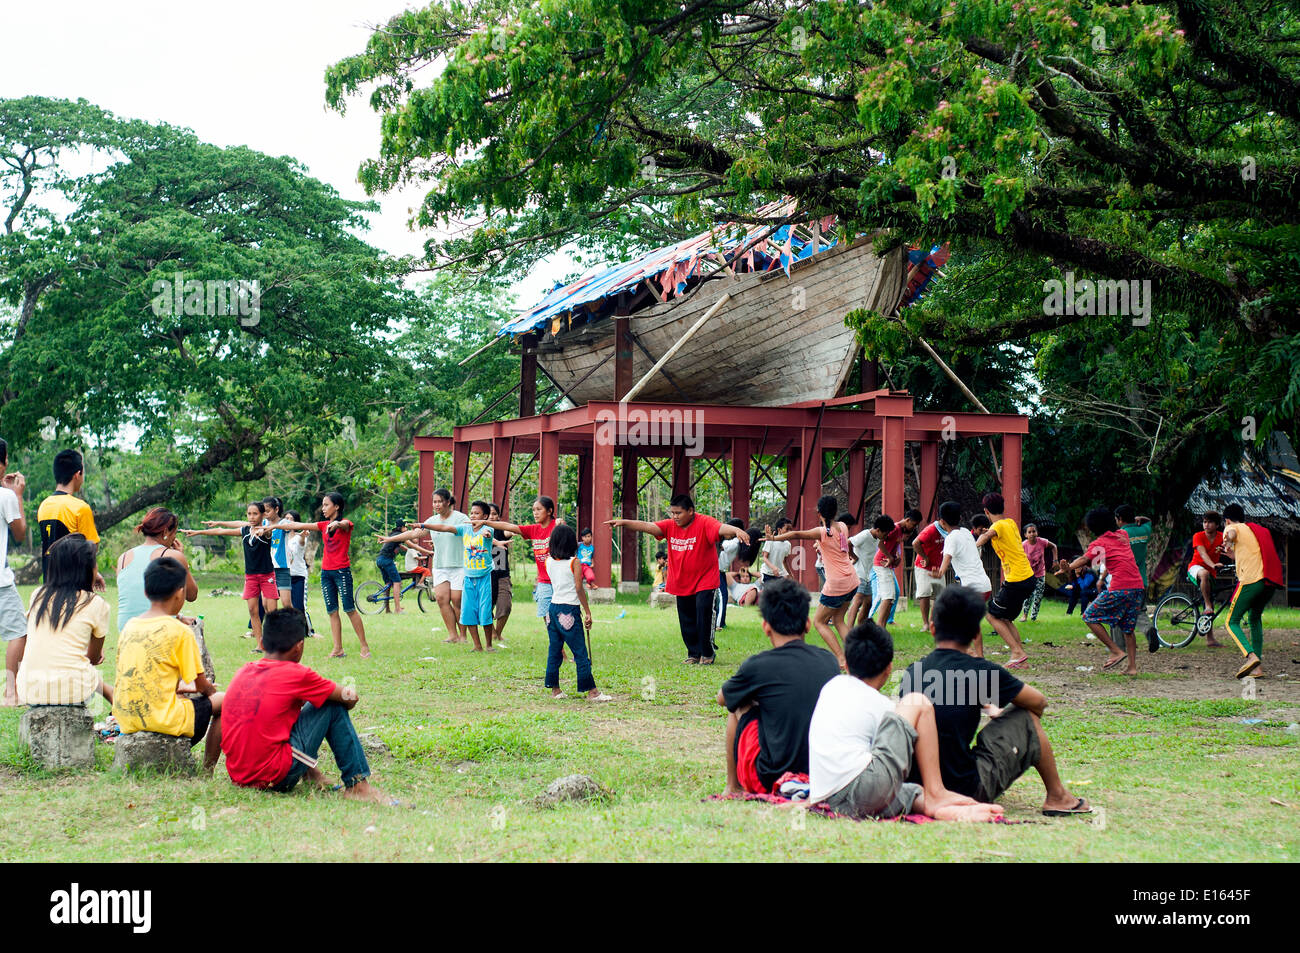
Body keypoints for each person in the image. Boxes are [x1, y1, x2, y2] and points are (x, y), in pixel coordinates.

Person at [899, 586, 1090, 816]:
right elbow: (1039, 702)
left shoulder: (913, 672)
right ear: (975, 634)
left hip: (917, 788)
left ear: (932, 628)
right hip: (963, 788)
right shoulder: (981, 672)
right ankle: (1058, 796)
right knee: (1025, 717)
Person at [809, 620, 1003, 821]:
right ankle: (937, 793)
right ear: (889, 668)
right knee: (917, 702)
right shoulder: (881, 705)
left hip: (831, 799)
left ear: (846, 665)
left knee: (911, 791)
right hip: (862, 789)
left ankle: (938, 809)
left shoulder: (831, 687)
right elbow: (905, 743)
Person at [220, 608, 385, 802]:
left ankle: (311, 775)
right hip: (273, 776)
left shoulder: (244, 671)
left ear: (263, 643)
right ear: (299, 646)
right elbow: (350, 697)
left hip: (238, 775)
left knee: (290, 711)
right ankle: (358, 784)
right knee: (331, 704)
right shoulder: (297, 674)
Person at [718, 578, 839, 794]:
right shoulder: (829, 661)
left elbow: (723, 698)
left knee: (737, 704)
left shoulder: (757, 666)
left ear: (766, 627)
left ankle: (733, 787)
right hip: (819, 775)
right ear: (808, 624)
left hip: (767, 778)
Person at [608, 493, 750, 664]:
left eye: (678, 513)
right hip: (682, 581)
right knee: (686, 618)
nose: (674, 517)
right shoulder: (669, 526)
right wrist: (624, 522)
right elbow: (647, 526)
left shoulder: (705, 522)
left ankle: (707, 653)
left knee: (703, 612)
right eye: (672, 513)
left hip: (705, 580)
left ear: (691, 511)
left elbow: (721, 529)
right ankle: (693, 654)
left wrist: (736, 530)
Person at [113, 558, 224, 772]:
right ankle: (208, 769)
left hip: (127, 719)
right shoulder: (180, 631)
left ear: (146, 592)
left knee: (182, 696)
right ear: (180, 593)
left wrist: (180, 688)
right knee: (226, 701)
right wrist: (210, 690)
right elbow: (201, 686)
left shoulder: (130, 627)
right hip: (162, 720)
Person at [16, 536, 113, 708]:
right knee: (80, 667)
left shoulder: (38, 595)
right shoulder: (96, 604)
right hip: (75, 692)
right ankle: (109, 693)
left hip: (29, 689)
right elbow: (92, 658)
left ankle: (109, 692)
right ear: (88, 569)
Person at [387, 500, 497, 650]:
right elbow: (444, 527)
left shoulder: (488, 529)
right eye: (472, 513)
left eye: (477, 513)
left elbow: (488, 534)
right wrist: (424, 525)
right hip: (469, 578)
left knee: (485, 612)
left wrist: (485, 532)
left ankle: (489, 645)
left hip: (484, 578)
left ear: (484, 516)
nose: (472, 516)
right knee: (468, 612)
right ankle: (477, 646)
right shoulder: (465, 529)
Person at [273, 494, 371, 659]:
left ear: (337, 507)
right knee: (332, 611)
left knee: (349, 609)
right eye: (322, 505)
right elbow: (301, 524)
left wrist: (337, 524)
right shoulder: (323, 524)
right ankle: (338, 649)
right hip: (326, 573)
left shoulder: (345, 524)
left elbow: (345, 524)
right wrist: (273, 527)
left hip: (342, 572)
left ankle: (364, 646)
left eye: (326, 505)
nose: (323, 508)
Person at [766, 495, 859, 667]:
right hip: (852, 580)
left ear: (819, 513)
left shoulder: (822, 532)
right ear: (836, 511)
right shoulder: (843, 527)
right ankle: (857, 656)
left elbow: (795, 534)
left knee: (819, 622)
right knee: (839, 620)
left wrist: (772, 539)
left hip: (837, 584)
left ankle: (841, 658)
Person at [1059, 507, 1146, 675]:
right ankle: (1132, 667)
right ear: (1112, 521)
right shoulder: (1123, 535)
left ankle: (1115, 650)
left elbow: (1085, 559)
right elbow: (1096, 559)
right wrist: (1139, 518)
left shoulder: (1100, 543)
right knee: (1128, 628)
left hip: (1120, 587)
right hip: (1137, 587)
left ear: (1092, 528)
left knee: (1089, 616)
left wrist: (1068, 567)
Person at [186, 502, 278, 651]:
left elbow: (267, 533)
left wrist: (263, 532)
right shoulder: (245, 530)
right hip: (251, 577)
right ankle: (260, 644)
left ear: (262, 515)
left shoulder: (267, 530)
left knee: (272, 611)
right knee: (253, 611)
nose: (252, 517)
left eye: (255, 514)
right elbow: (220, 531)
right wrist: (198, 532)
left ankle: (274, 642)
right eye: (249, 514)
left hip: (267, 575)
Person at [543, 524, 610, 701]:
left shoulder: (548, 562)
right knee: (580, 651)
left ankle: (555, 689)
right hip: (569, 610)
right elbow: (579, 588)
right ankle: (592, 692)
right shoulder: (575, 562)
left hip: (552, 609)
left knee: (554, 650)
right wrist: (587, 611)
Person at [1219, 503, 1284, 679]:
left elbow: (1231, 533)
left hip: (1250, 581)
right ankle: (1257, 669)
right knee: (1254, 619)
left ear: (1227, 520)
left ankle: (1250, 656)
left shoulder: (1231, 527)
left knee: (1231, 622)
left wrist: (1229, 538)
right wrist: (1231, 552)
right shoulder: (1254, 530)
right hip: (1267, 582)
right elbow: (1244, 553)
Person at [479, 494, 555, 636]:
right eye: (533, 510)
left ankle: (497, 634)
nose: (535, 513)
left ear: (549, 511)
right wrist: (483, 524)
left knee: (564, 618)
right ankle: (560, 652)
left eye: (539, 509)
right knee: (548, 619)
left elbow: (508, 528)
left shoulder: (556, 527)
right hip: (542, 582)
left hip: (557, 581)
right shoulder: (533, 529)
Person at [116, 507, 198, 633]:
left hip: (126, 629)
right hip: (158, 631)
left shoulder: (123, 557)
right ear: (165, 532)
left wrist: (179, 618)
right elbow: (192, 595)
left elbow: (138, 601)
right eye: (174, 533)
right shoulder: (172, 555)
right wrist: (182, 559)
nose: (174, 539)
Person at [972, 493, 1032, 668]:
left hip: (1016, 580)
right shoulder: (1010, 523)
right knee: (1005, 618)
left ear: (986, 511)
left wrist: (972, 545)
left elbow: (987, 536)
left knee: (991, 615)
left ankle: (1017, 653)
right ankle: (1021, 658)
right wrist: (987, 533)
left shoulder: (997, 526)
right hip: (1027, 577)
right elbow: (995, 533)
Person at [36, 449, 105, 590]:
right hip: (74, 589)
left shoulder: (44, 505)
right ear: (77, 474)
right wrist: (94, 574)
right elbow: (91, 550)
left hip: (50, 586)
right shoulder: (80, 507)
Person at [934, 504, 993, 643]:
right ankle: (974, 655)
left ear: (942, 521)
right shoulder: (966, 532)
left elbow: (945, 562)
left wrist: (939, 572)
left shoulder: (950, 539)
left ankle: (972, 654)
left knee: (956, 619)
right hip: (985, 585)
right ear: (960, 518)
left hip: (972, 589)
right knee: (965, 620)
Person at [0, 440, 28, 706]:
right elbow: (19, 534)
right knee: (18, 632)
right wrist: (17, 494)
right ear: (5, 460)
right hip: (1, 583)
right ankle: (10, 692)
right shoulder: (5, 497)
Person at [870, 510, 919, 629]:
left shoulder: (899, 530)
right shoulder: (895, 528)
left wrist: (896, 557)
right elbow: (880, 543)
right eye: (913, 524)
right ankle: (876, 625)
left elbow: (891, 545)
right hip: (881, 564)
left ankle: (882, 626)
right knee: (886, 597)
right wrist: (889, 557)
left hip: (887, 565)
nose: (914, 527)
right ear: (907, 520)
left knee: (891, 596)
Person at [1187, 511, 1225, 645]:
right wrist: (1213, 565)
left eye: (1209, 522)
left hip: (1211, 572)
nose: (1206, 525)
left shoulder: (1222, 537)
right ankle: (1207, 604)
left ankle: (1210, 639)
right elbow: (1202, 554)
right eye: (1204, 522)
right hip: (1195, 568)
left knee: (1211, 603)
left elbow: (1231, 551)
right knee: (1204, 574)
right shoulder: (1198, 536)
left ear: (1217, 525)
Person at [911, 509, 947, 630]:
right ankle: (925, 623)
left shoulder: (948, 530)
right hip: (923, 566)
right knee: (924, 593)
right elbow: (915, 543)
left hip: (938, 567)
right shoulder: (931, 529)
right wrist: (924, 557)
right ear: (941, 521)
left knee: (940, 595)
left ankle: (933, 621)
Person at [284, 511, 316, 636]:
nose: (288, 521)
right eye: (286, 518)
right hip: (285, 576)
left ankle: (309, 631)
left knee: (300, 605)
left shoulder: (299, 537)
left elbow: (301, 543)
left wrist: (302, 535)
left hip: (299, 576)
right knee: (287, 606)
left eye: (291, 519)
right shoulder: (282, 537)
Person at [261, 497, 295, 611]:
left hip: (282, 568)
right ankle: (273, 628)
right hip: (267, 569)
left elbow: (289, 527)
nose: (265, 514)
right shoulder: (263, 523)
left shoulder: (284, 522)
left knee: (286, 604)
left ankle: (298, 627)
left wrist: (274, 526)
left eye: (268, 510)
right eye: (263, 511)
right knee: (266, 604)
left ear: (276, 509)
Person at [1020, 522, 1058, 622]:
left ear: (1037, 532)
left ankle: (1033, 617)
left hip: (1040, 573)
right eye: (1029, 532)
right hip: (1028, 574)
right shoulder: (1023, 545)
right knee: (1028, 596)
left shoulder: (1042, 542)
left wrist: (1055, 560)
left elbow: (1054, 546)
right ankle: (1024, 615)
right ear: (1025, 535)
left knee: (1038, 596)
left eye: (1034, 531)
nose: (1032, 534)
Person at [845, 516, 879, 628]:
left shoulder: (878, 538)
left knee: (868, 602)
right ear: (878, 530)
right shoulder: (865, 535)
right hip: (858, 573)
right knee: (857, 600)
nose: (885, 536)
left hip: (868, 574)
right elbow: (848, 542)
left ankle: (861, 628)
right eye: (885, 533)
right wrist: (853, 556)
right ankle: (849, 631)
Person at [486, 502, 512, 648]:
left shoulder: (502, 530)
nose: (492, 516)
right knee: (486, 606)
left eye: (495, 514)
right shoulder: (479, 531)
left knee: (505, 605)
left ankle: (497, 632)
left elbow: (509, 531)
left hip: (502, 574)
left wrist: (513, 531)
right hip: (486, 575)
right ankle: (493, 634)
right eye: (489, 514)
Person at [375, 519, 408, 614]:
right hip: (387, 560)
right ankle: (398, 609)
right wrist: (420, 551)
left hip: (380, 559)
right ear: (402, 527)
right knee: (397, 582)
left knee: (388, 584)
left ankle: (387, 609)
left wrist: (408, 550)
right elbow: (411, 544)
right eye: (405, 527)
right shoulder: (400, 535)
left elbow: (401, 546)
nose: (406, 529)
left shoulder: (393, 535)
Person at [717, 519, 744, 628]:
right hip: (716, 571)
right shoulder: (729, 541)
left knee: (722, 596)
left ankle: (719, 622)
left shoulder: (736, 541)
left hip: (720, 571)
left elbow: (723, 546)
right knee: (722, 597)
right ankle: (718, 623)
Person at [760, 518, 793, 585]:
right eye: (787, 529)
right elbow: (764, 558)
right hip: (767, 574)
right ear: (779, 529)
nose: (789, 532)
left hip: (779, 575)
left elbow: (785, 561)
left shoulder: (788, 544)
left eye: (790, 530)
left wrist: (790, 574)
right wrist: (773, 567)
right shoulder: (770, 541)